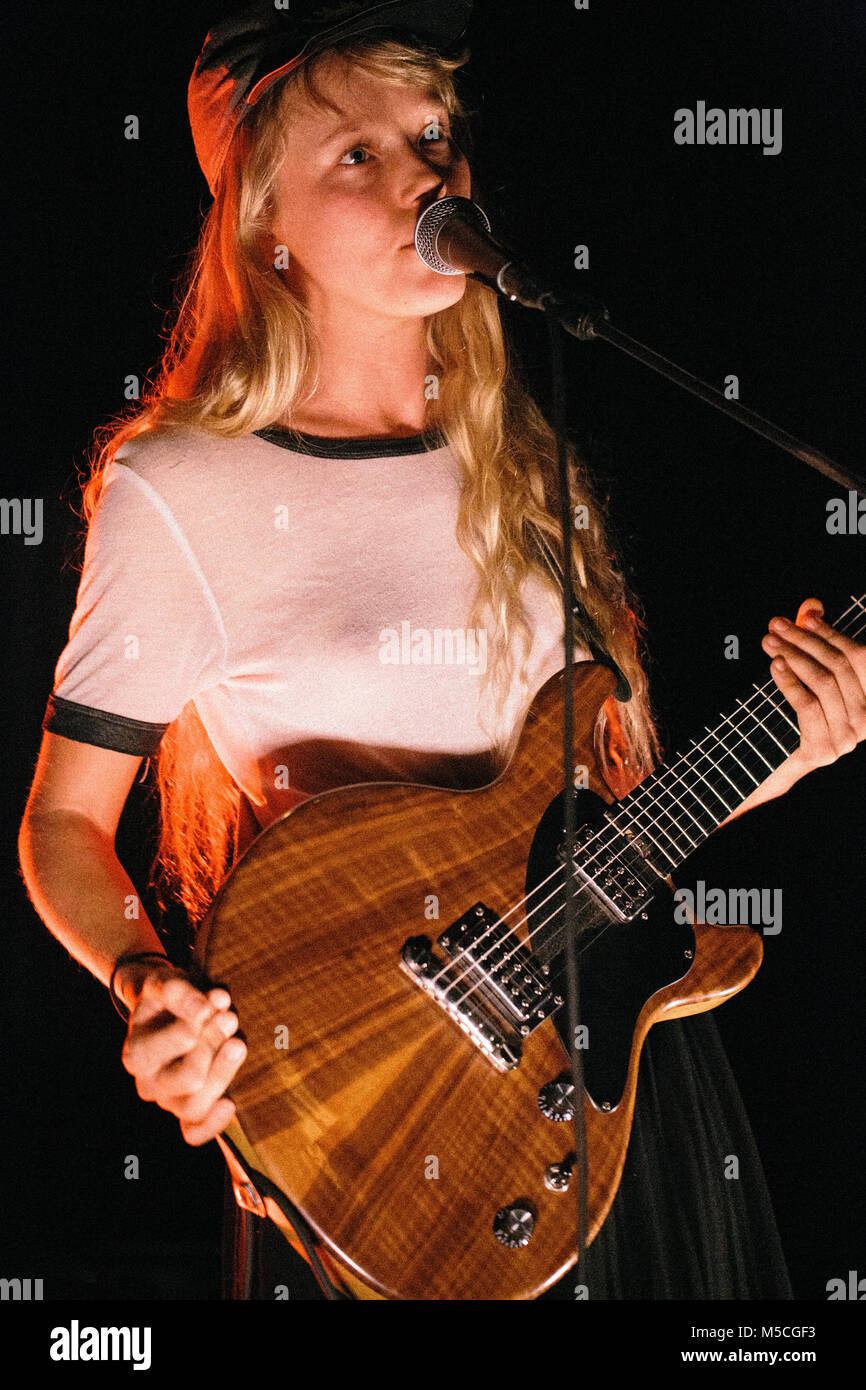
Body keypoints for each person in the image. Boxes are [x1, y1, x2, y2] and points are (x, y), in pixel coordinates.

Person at [18, 1, 866, 1300]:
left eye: (428, 133)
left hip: (618, 1089)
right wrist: (146, 981)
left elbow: (602, 820)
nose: (421, 175)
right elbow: (62, 823)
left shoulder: (527, 464)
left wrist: (792, 749)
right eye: (353, 153)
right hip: (383, 1124)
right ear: (262, 221)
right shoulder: (183, 486)